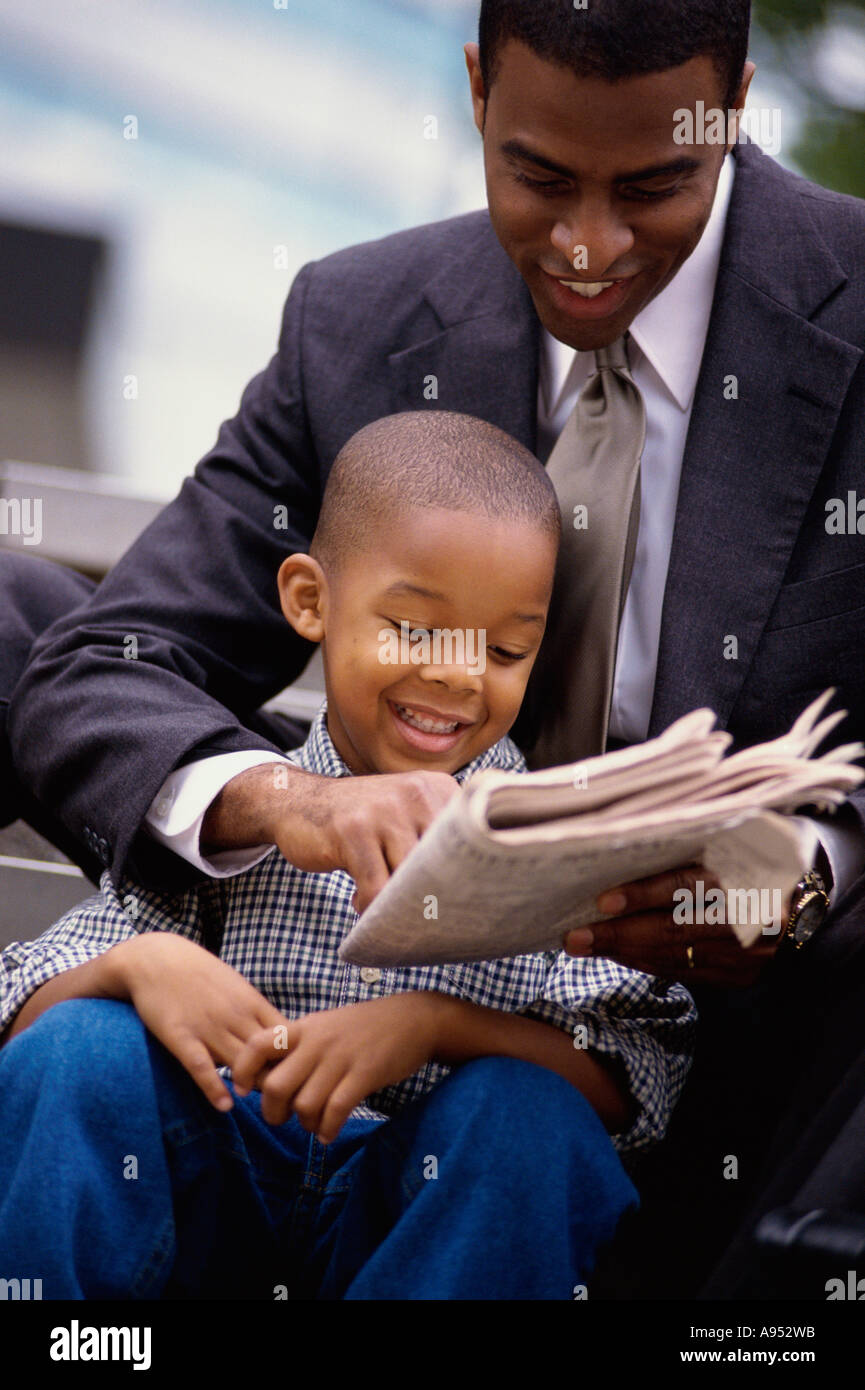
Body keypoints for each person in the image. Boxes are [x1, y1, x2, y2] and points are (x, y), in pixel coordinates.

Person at [2, 0, 864, 1295]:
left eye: (652, 183)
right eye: (536, 174)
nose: (585, 244)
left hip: (710, 1087)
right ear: (475, 89)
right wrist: (282, 799)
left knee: (521, 1132)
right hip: (237, 1124)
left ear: (734, 104)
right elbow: (109, 662)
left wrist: (801, 876)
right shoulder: (356, 317)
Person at [0, 412, 696, 1300]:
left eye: (505, 649)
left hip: (412, 1218)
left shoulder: (556, 842)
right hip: (212, 1184)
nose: (457, 676)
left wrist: (433, 1026)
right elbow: (17, 1020)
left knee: (529, 1117)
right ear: (309, 601)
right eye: (412, 629)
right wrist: (134, 968)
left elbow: (635, 1081)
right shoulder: (242, 813)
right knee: (81, 1045)